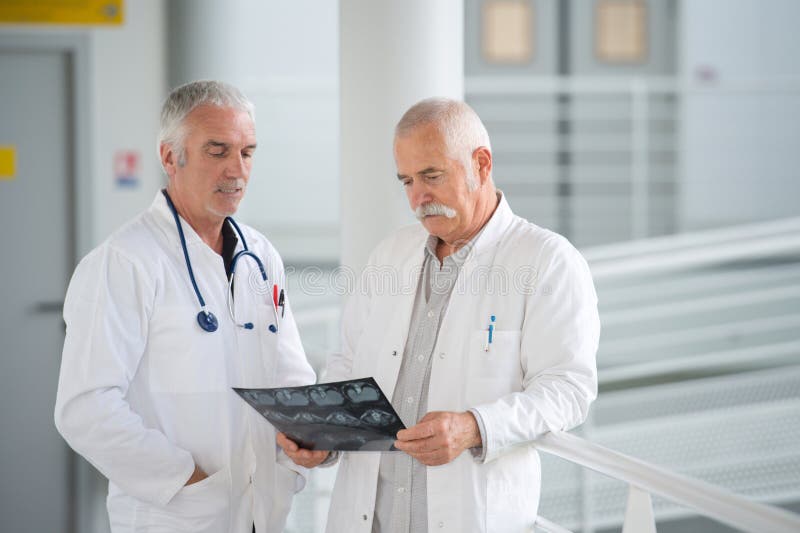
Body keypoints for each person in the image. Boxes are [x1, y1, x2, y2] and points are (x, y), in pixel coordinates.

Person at [278, 97, 600, 532]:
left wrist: (475, 427)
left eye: (431, 175)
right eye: (407, 180)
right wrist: (324, 437)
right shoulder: (390, 254)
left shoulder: (547, 260)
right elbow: (349, 363)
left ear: (481, 164)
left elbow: (569, 388)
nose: (418, 196)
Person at [54, 80, 315, 533]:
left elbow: (290, 377)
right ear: (170, 157)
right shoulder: (125, 261)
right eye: (218, 151)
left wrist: (308, 441)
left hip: (265, 513)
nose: (237, 170)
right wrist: (188, 481)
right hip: (178, 516)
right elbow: (85, 408)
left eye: (247, 152)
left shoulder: (260, 256)